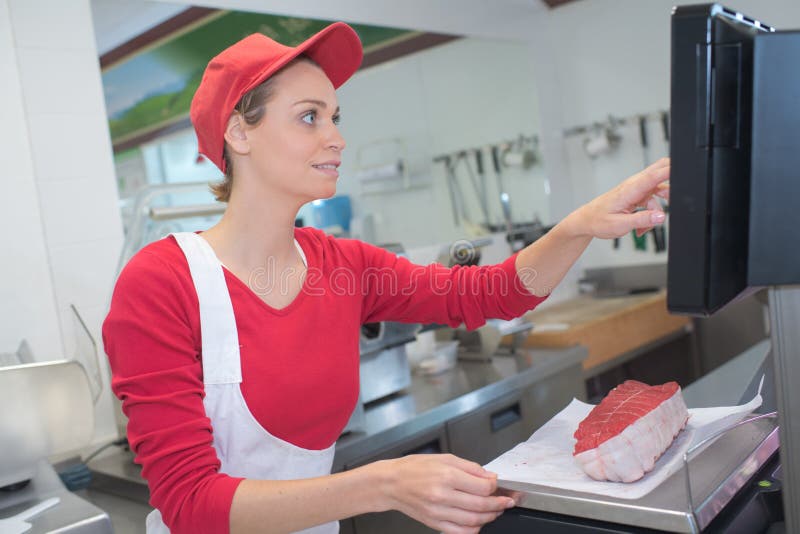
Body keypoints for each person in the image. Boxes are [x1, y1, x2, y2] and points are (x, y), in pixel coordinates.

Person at [103, 22, 670, 534]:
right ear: (238, 132)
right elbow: (191, 504)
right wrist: (383, 484)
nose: (337, 137)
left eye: (334, 117)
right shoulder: (161, 283)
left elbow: (488, 293)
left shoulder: (341, 267)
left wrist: (579, 226)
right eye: (309, 117)